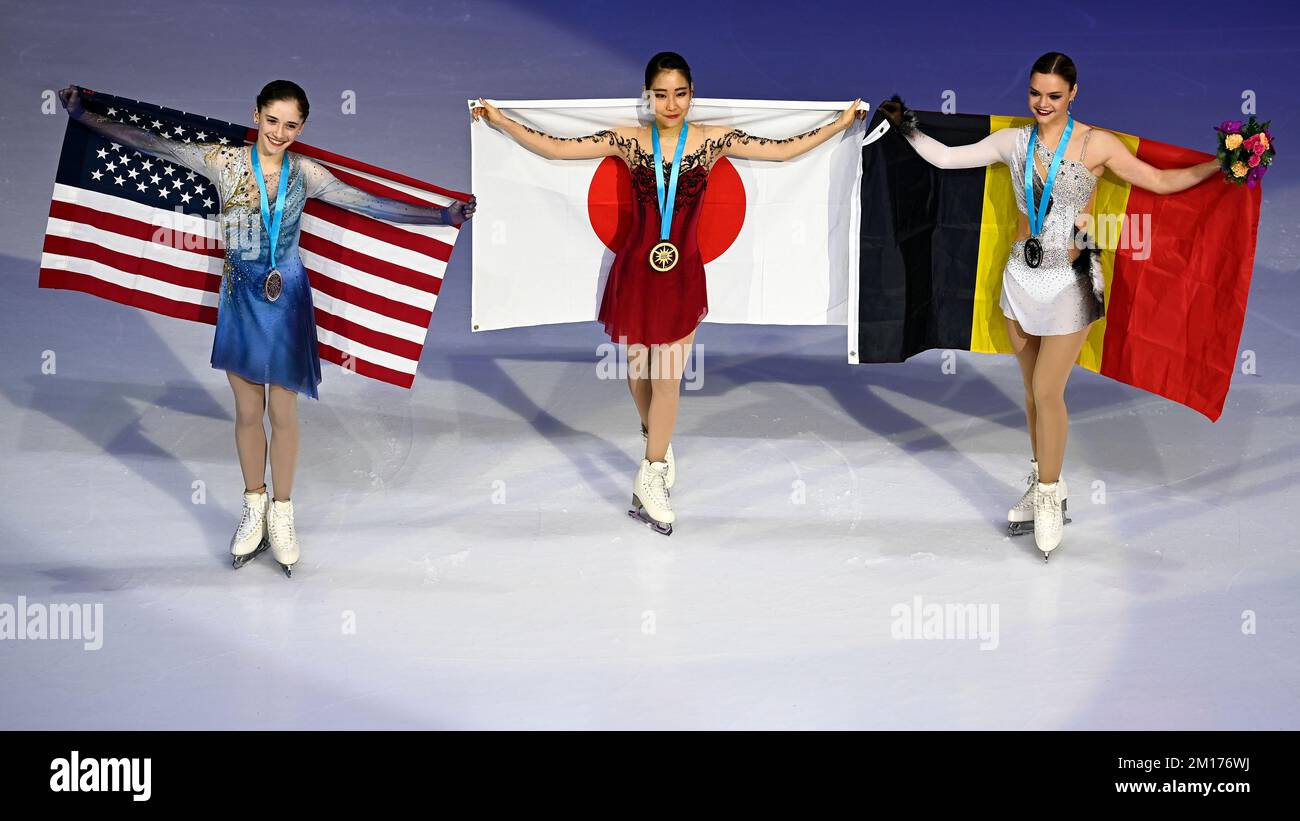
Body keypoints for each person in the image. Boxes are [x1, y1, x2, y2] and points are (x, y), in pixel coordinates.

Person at [59, 81, 476, 576]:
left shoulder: (308, 174)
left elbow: (367, 203)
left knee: (283, 410)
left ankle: (282, 511)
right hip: (239, 298)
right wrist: (86, 116)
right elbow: (153, 143)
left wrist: (440, 215)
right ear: (255, 115)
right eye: (272, 120)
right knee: (247, 409)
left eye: (291, 124)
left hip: (287, 301)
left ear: (303, 127)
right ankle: (253, 504)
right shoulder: (222, 161)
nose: (279, 132)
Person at [472, 51, 865, 535]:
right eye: (661, 94)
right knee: (639, 371)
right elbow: (556, 148)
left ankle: (651, 472)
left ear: (692, 93)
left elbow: (782, 150)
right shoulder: (629, 140)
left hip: (682, 275)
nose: (672, 103)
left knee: (669, 378)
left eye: (680, 93)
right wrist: (500, 119)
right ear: (648, 96)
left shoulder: (712, 140)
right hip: (636, 270)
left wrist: (840, 123)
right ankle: (657, 437)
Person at [879, 52, 1219, 560]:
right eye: (1036, 93)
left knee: (1047, 390)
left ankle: (1051, 496)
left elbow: (1162, 182)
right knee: (1032, 394)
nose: (1042, 103)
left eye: (1054, 96)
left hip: (1072, 283)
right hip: (1020, 278)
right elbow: (949, 159)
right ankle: (1041, 480)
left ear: (1074, 95)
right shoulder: (1014, 142)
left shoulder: (1097, 144)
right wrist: (905, 124)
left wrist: (1224, 163)